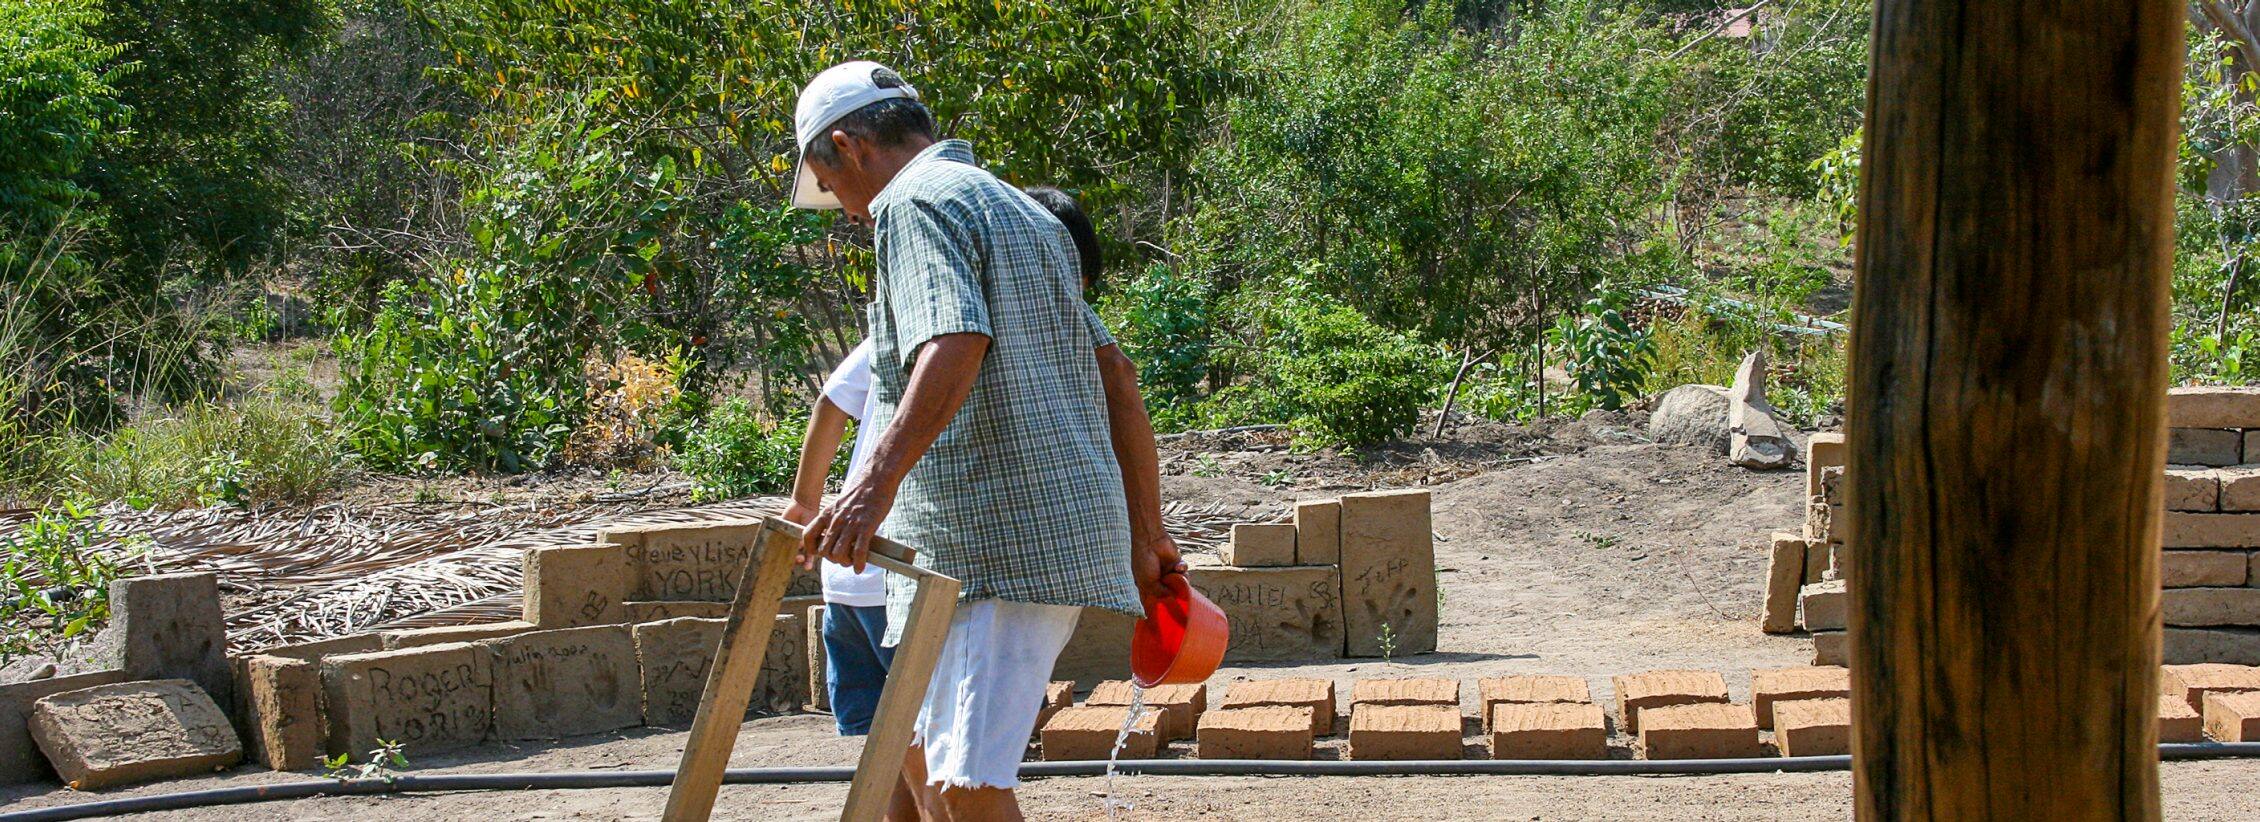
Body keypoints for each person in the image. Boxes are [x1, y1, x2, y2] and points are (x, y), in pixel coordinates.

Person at [788, 60, 1180, 821]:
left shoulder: (914, 202)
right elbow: (1118, 377)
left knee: (967, 784)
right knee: (931, 770)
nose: (845, 212)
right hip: (1024, 539)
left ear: (850, 145)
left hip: (993, 548)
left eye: (832, 188)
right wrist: (1146, 532)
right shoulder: (1019, 211)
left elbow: (955, 340)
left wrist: (870, 487)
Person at [783, 184, 1111, 739]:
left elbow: (832, 402)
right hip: (899, 578)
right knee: (931, 750)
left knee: (887, 752)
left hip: (851, 576)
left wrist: (805, 499)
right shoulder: (952, 336)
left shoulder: (914, 329)